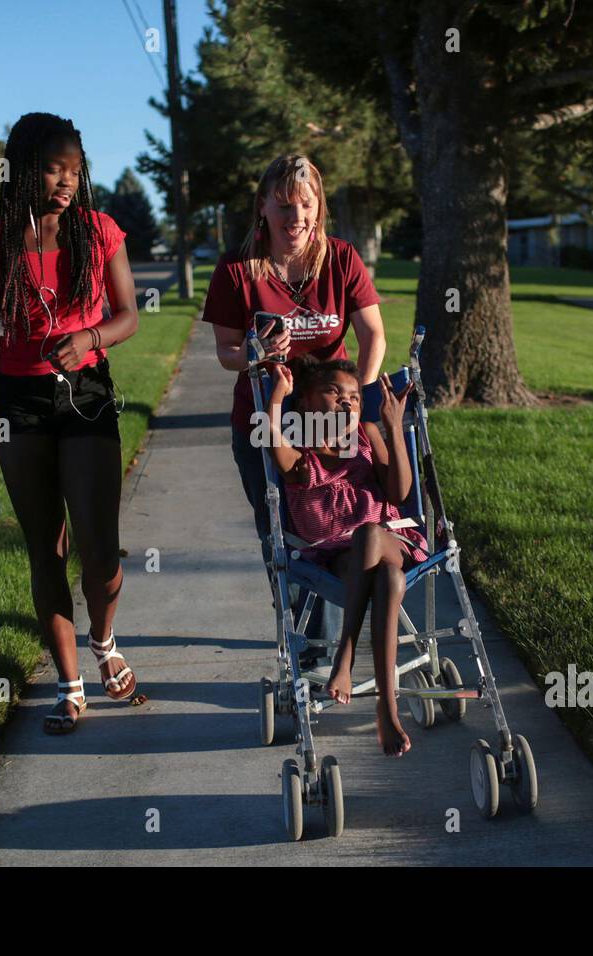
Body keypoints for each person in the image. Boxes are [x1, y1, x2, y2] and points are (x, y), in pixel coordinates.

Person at [0, 112, 139, 735]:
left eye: (75, 170)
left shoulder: (100, 232)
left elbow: (129, 315)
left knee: (100, 548)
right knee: (45, 549)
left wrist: (90, 337)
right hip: (20, 406)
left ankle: (105, 642)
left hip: (86, 396)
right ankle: (71, 683)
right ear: (24, 169)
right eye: (54, 168)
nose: (66, 182)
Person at [201, 154, 388, 647]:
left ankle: (323, 646)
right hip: (267, 423)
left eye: (306, 204)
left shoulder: (342, 259)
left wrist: (359, 407)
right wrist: (255, 352)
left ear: (319, 207)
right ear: (262, 206)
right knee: (285, 536)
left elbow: (374, 337)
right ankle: (304, 642)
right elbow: (225, 352)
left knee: (336, 526)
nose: (296, 217)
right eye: (284, 205)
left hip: (332, 427)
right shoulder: (237, 269)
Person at [266, 355, 426, 756]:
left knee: (371, 532)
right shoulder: (300, 444)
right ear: (304, 404)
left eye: (354, 396)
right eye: (334, 392)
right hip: (338, 555)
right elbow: (278, 455)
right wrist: (274, 399)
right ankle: (386, 708)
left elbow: (399, 494)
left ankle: (346, 657)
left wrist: (392, 427)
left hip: (391, 538)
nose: (347, 402)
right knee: (389, 580)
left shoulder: (368, 434)